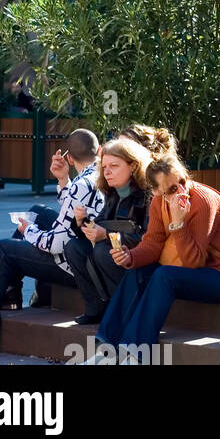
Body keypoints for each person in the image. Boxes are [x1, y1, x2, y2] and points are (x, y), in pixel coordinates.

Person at [0, 129, 102, 354]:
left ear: (69, 157)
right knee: (37, 210)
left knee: (3, 249)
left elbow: (56, 244)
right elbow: (72, 218)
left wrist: (29, 231)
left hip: (75, 266)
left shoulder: (81, 185)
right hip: (88, 253)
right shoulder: (100, 174)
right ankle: (10, 293)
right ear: (98, 151)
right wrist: (64, 179)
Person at [86, 153, 220, 364]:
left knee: (164, 275)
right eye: (171, 189)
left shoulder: (203, 202)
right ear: (155, 191)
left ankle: (136, 355)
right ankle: (105, 352)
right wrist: (129, 256)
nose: (180, 191)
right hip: (193, 269)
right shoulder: (157, 203)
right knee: (138, 270)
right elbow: (152, 245)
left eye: (182, 183)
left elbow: (193, 262)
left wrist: (179, 224)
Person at [62, 135, 152, 325]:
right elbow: (99, 226)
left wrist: (109, 236)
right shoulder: (113, 193)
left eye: (114, 166)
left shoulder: (147, 195)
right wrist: (82, 222)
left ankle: (126, 310)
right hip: (119, 258)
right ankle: (96, 307)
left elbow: (149, 239)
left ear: (133, 166)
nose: (107, 171)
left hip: (141, 264)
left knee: (104, 250)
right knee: (74, 247)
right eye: (104, 167)